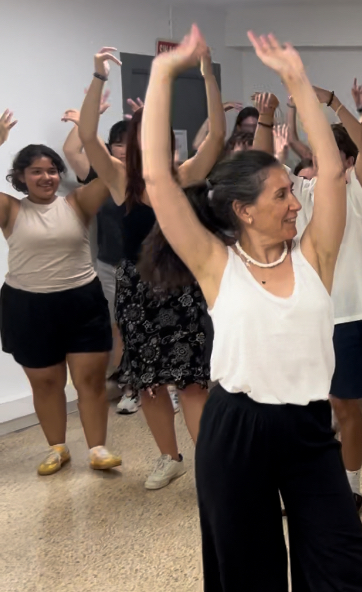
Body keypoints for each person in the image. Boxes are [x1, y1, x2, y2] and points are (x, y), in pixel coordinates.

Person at [142, 27, 362, 592]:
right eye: (281, 195)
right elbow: (157, 182)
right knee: (247, 579)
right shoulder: (215, 263)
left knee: (345, 569)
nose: (295, 203)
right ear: (244, 210)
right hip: (236, 429)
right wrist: (163, 74)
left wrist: (298, 81)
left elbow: (330, 175)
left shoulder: (314, 258)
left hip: (307, 429)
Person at [78, 43, 226, 490]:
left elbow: (217, 136)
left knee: (191, 383)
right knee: (148, 383)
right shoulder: (122, 179)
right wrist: (98, 76)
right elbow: (87, 137)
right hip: (136, 291)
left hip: (183, 289)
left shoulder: (184, 176)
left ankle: (209, 466)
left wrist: (207, 74)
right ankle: (169, 456)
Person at [253, 80, 362, 511]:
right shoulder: (301, 193)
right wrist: (266, 119)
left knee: (344, 404)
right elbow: (257, 167)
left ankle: (351, 484)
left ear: (345, 160)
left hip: (348, 313)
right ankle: (307, 482)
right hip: (304, 313)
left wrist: (332, 102)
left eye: (330, 152)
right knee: (305, 404)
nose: (318, 158)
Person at [0, 110, 122, 475]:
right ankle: (57, 447)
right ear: (21, 177)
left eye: (52, 170)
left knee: (89, 380)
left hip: (81, 301)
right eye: (36, 171)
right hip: (27, 304)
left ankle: (98, 448)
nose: (46, 177)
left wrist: (88, 131)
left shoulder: (77, 203)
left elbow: (115, 172)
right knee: (46, 381)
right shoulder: (10, 208)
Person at [61, 107, 138, 414]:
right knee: (118, 326)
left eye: (130, 142)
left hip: (147, 266)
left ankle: (156, 385)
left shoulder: (146, 177)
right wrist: (87, 117)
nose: (123, 148)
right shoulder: (98, 177)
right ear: (109, 146)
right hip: (109, 264)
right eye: (118, 142)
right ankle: (128, 385)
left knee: (141, 326)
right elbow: (71, 149)